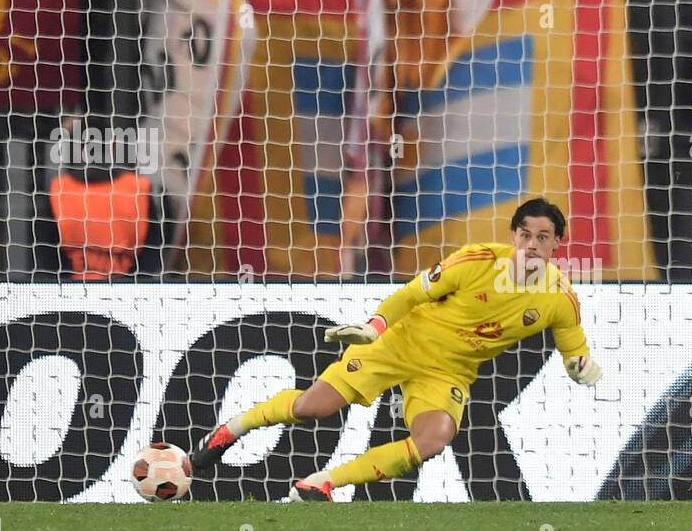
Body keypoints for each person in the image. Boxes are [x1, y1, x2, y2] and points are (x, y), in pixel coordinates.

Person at [190, 197, 602, 497]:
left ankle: (327, 482)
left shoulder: (558, 299)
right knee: (312, 408)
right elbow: (409, 295)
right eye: (525, 234)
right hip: (401, 343)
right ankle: (231, 430)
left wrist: (581, 367)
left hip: (448, 374)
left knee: (435, 438)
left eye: (542, 238)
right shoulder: (475, 261)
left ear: (556, 244)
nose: (531, 245)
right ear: (513, 235)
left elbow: (574, 349)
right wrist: (375, 327)